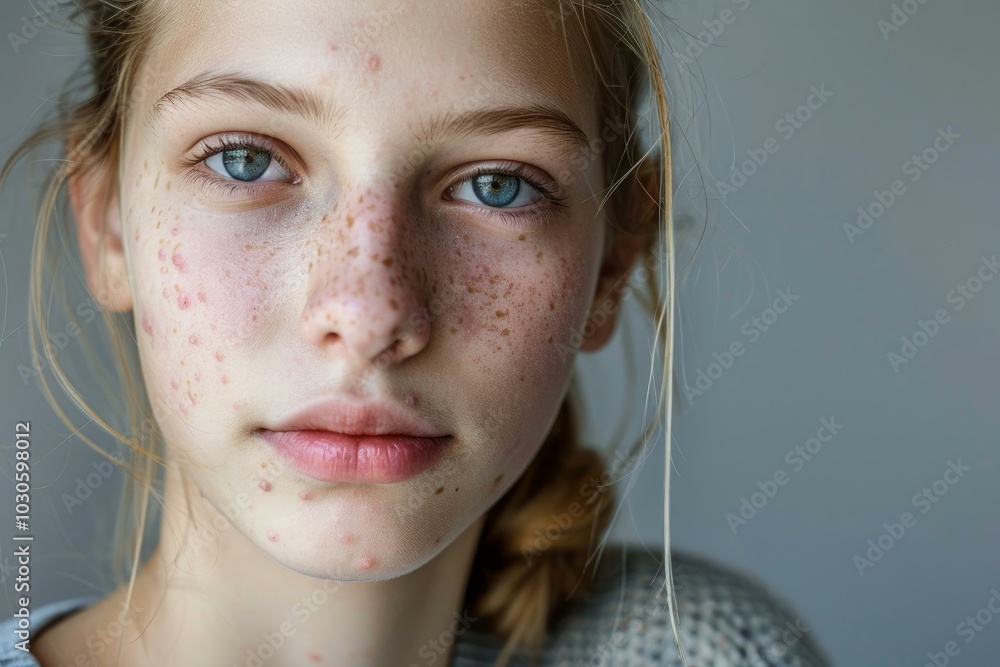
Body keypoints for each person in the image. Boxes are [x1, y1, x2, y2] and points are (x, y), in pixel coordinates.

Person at [0, 1, 832, 665]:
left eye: (499, 185)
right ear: (108, 221)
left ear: (614, 260)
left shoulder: (700, 652)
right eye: (246, 159)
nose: (368, 314)